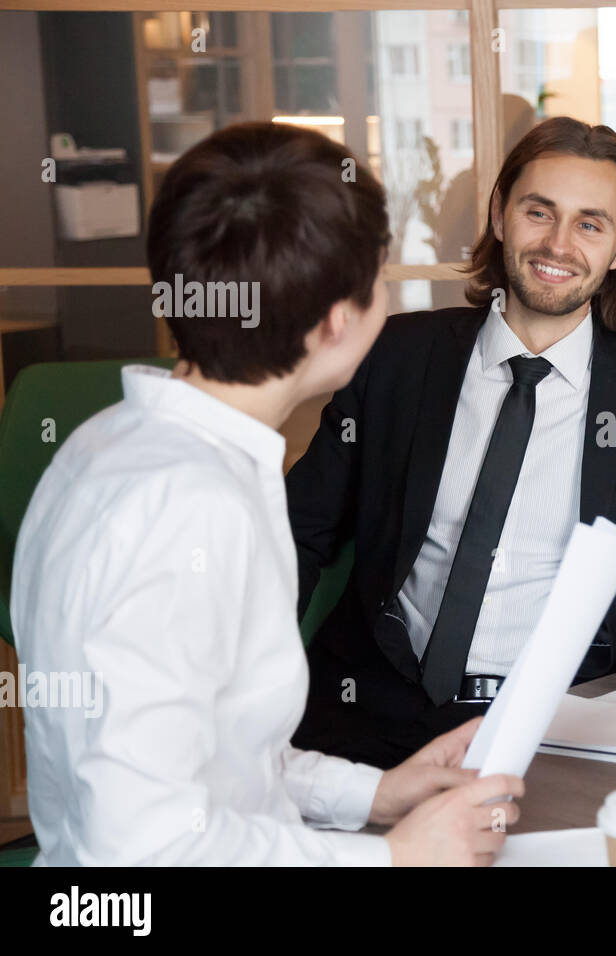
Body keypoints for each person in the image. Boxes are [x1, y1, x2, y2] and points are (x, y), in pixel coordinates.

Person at [11, 122, 522, 865]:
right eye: (379, 280)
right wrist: (394, 857)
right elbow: (139, 845)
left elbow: (220, 756)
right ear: (337, 323)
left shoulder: (109, 443)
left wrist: (376, 796)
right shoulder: (191, 511)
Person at [288, 116, 616, 769]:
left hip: (562, 731)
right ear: (500, 216)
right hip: (372, 720)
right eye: (540, 212)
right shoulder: (396, 358)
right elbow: (297, 534)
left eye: (590, 224)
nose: (559, 244)